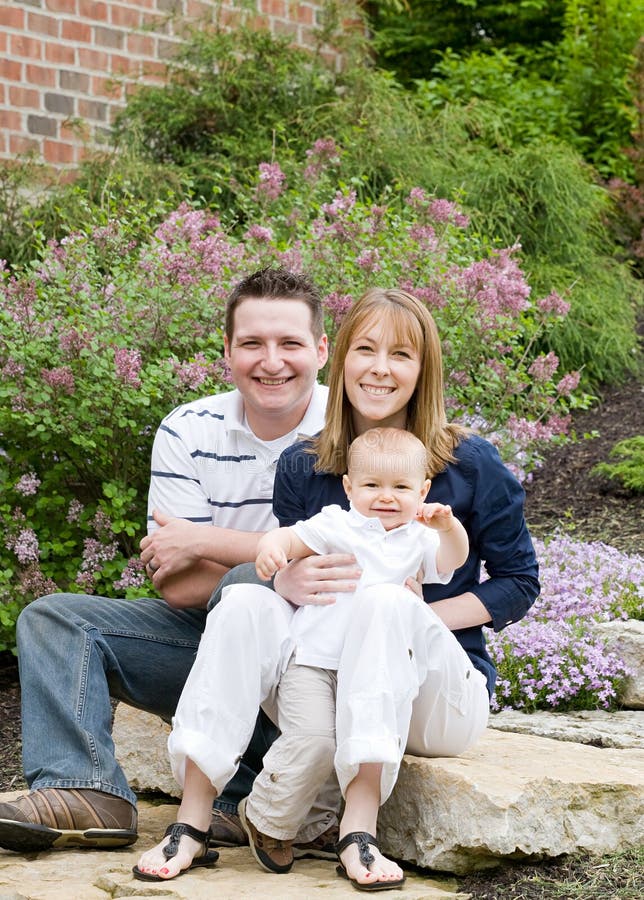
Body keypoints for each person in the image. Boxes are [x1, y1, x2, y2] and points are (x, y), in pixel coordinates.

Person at [132, 286, 540, 889]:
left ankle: (360, 831)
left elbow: (518, 582)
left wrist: (416, 613)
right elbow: (285, 556)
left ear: (423, 370)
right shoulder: (304, 465)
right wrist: (286, 581)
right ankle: (191, 820)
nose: (380, 368)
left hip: (436, 697)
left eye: (401, 355)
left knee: (380, 604)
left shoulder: (471, 465)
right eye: (366, 350)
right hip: (320, 679)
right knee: (246, 600)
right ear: (339, 358)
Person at [0, 266, 345, 857]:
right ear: (228, 350)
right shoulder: (188, 429)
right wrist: (277, 566)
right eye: (252, 344)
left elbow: (343, 578)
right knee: (55, 619)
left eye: (289, 343)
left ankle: (245, 797)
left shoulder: (349, 432)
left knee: (245, 587)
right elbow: (181, 588)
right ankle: (85, 790)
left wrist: (209, 542)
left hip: (316, 665)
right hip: (207, 639)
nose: (271, 361)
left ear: (320, 350)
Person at [133, 426, 468, 887]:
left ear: (423, 491)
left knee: (379, 628)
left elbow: (454, 559)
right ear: (349, 486)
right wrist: (272, 550)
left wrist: (447, 525)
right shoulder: (336, 522)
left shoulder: (418, 537)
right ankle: (203, 825)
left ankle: (341, 832)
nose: (386, 498)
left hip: (376, 668)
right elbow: (290, 539)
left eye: (401, 488)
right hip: (311, 661)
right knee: (316, 740)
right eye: (371, 485)